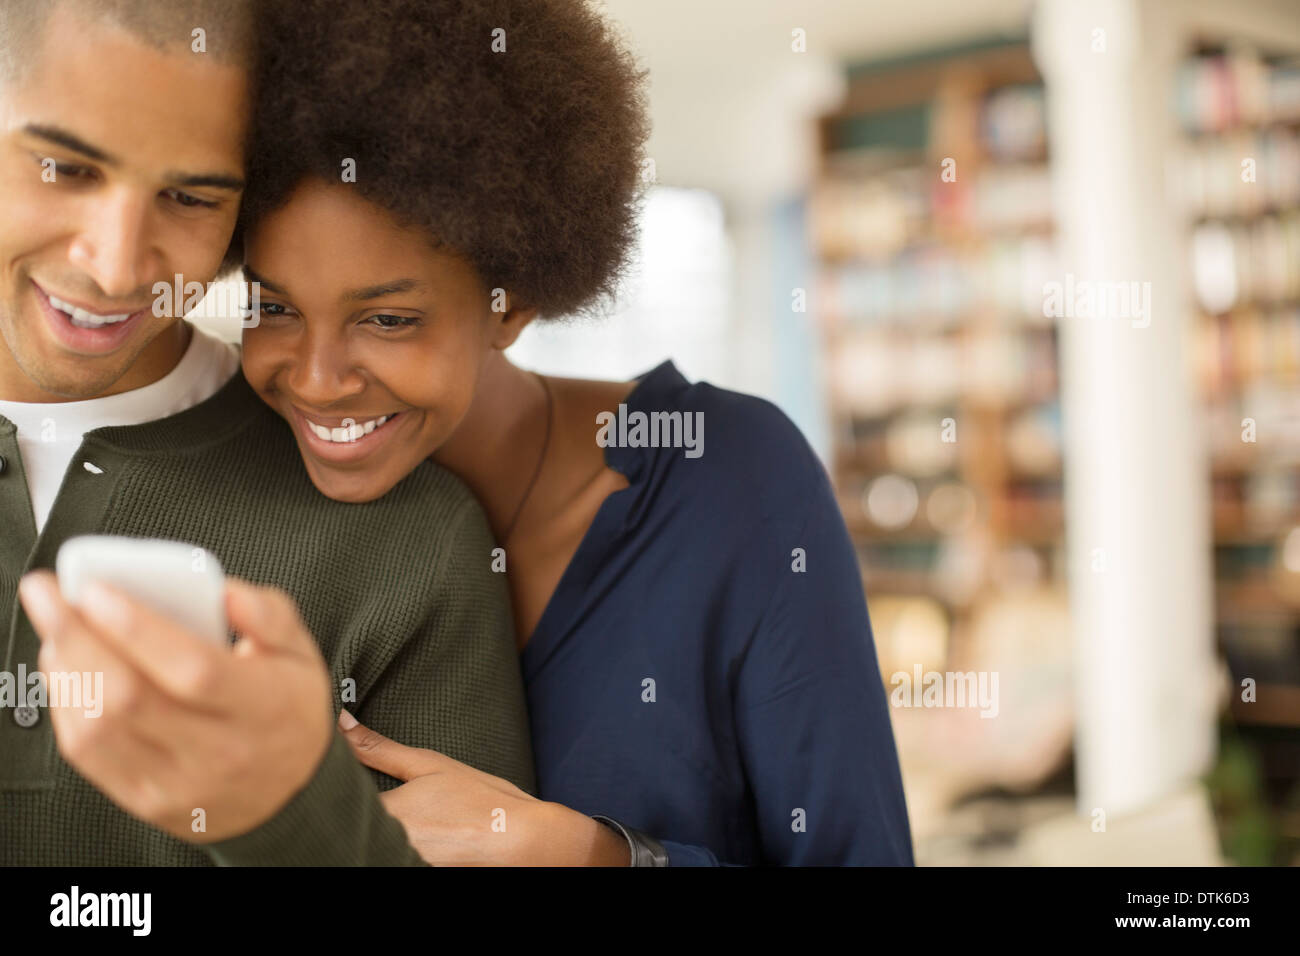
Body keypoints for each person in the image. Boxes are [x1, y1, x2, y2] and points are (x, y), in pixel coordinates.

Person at [238, 0, 914, 865]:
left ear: (510, 301)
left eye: (390, 319)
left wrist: (587, 853)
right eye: (273, 307)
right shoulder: (238, 498)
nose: (317, 378)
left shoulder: (731, 482)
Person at [0, 0, 536, 866]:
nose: (113, 264)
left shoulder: (414, 543)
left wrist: (286, 811)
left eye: (189, 196)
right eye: (64, 167)